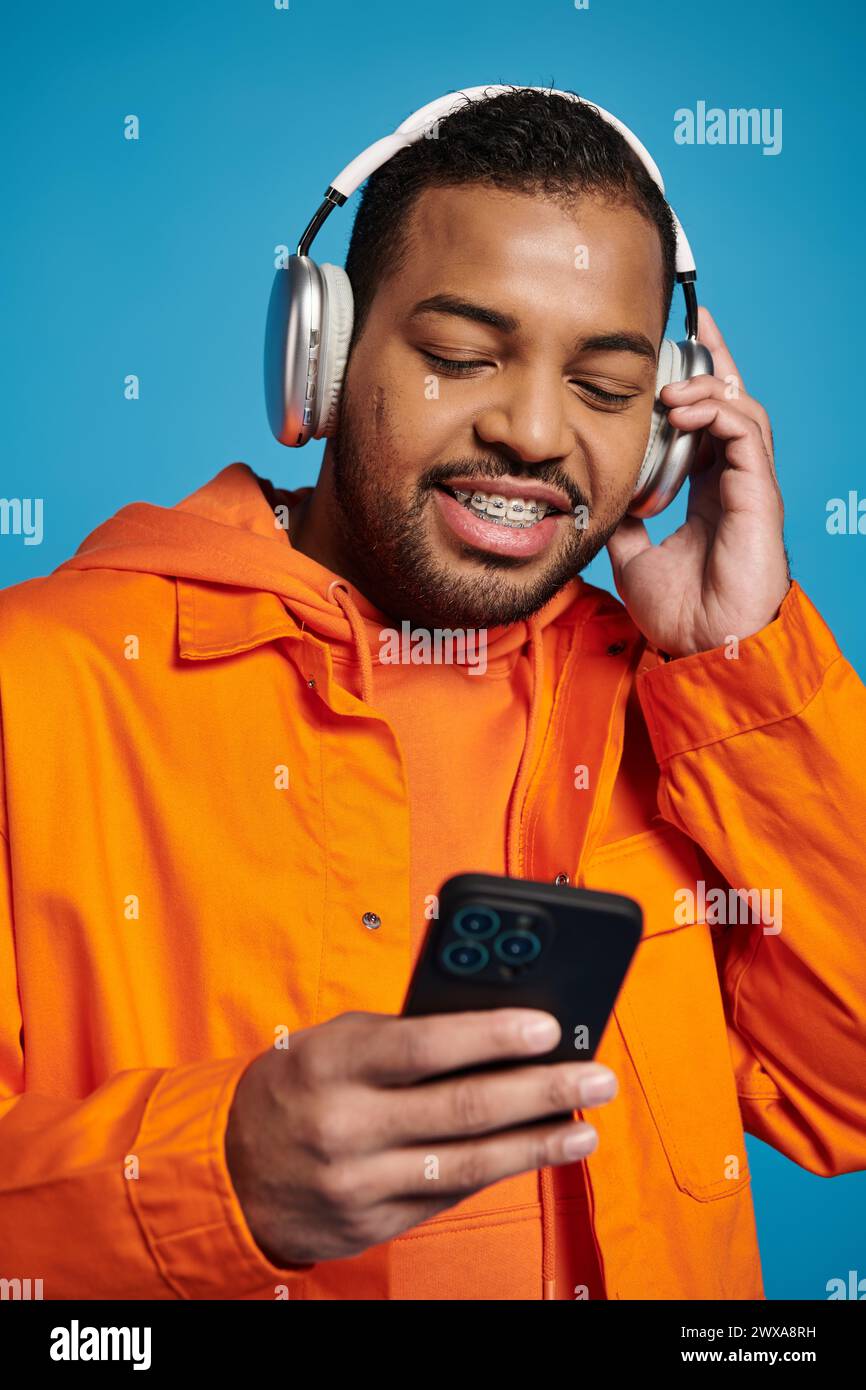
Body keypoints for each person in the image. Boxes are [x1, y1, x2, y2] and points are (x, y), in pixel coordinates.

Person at [1, 87, 864, 1302]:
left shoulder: (677, 708)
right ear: (324, 349)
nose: (529, 430)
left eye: (606, 390)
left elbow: (847, 1092)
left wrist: (742, 667)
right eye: (460, 357)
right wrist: (215, 1177)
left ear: (667, 434)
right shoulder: (35, 682)